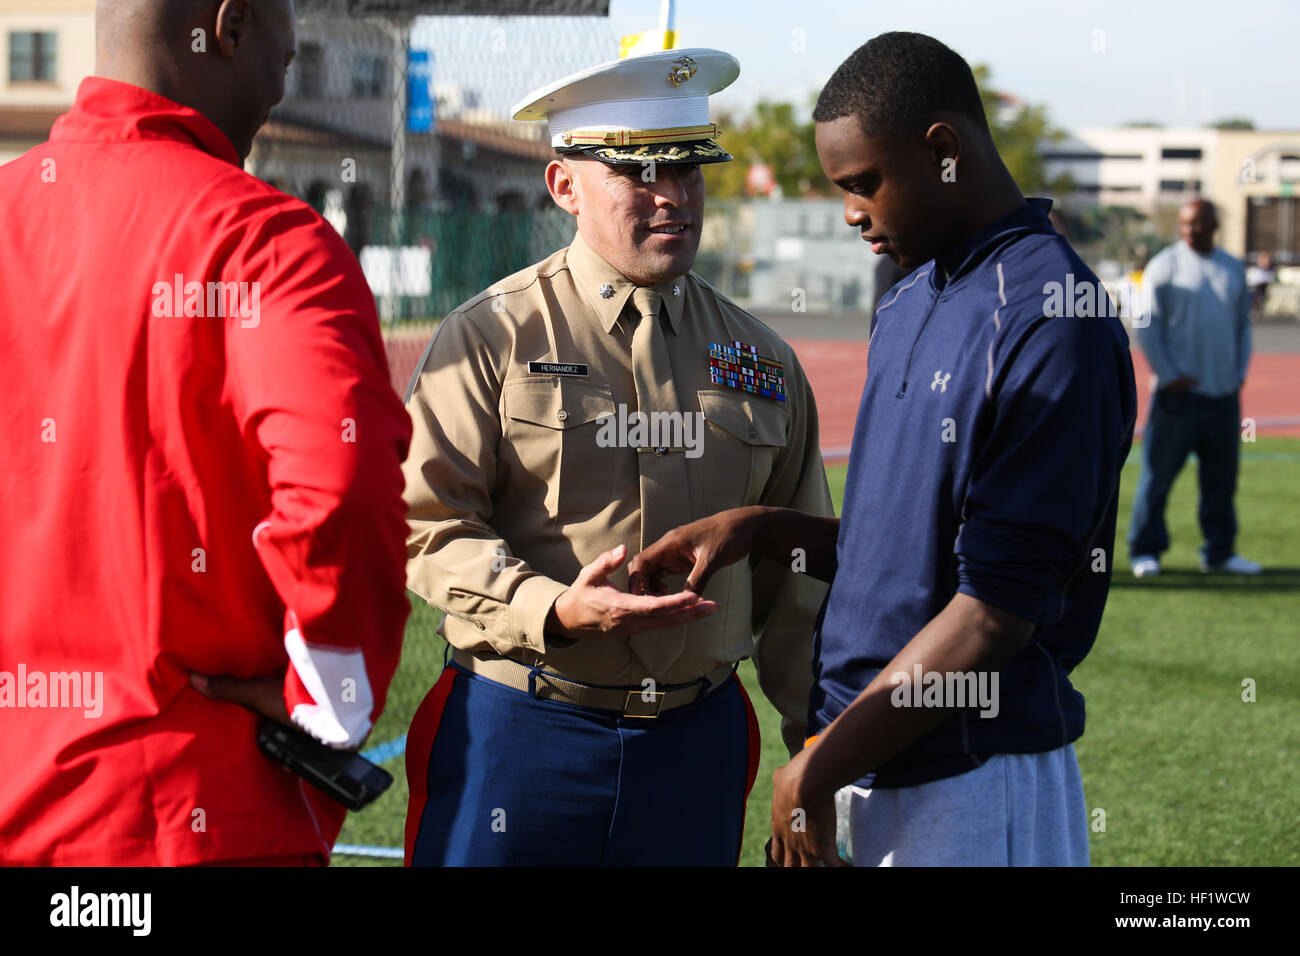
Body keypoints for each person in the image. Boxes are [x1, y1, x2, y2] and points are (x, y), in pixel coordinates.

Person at [632, 31, 1137, 867]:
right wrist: (760, 529)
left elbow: (992, 616)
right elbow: (904, 557)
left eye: (863, 183)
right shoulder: (912, 295)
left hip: (971, 774)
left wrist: (810, 776)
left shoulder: (1052, 318)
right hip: (861, 755)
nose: (851, 212)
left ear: (942, 152)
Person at [0, 0, 412, 865]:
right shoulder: (264, 236)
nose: (276, 89)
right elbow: (337, 484)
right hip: (180, 813)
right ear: (229, 28)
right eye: (285, 61)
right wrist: (328, 694)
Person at [401, 47, 832, 866]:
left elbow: (799, 572)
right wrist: (551, 610)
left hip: (695, 747)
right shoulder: (490, 335)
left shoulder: (763, 359)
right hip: (521, 733)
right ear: (564, 186)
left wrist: (816, 740)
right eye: (639, 173)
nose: (672, 197)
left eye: (690, 171)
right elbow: (425, 524)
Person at [1129, 199, 1259, 577]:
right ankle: (1144, 550)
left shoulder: (1232, 268)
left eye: (1198, 223)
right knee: (1157, 476)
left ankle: (1219, 552)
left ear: (1214, 225)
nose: (1190, 230)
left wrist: (1237, 374)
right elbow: (1147, 327)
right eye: (1185, 224)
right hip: (1177, 398)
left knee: (1221, 480)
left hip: (1223, 397)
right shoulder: (1164, 266)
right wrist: (1169, 375)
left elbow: (1243, 328)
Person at [1246, 251, 1275, 317]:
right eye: (1263, 261)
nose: (1266, 263)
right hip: (1254, 293)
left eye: (1267, 261)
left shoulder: (1272, 272)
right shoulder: (1253, 272)